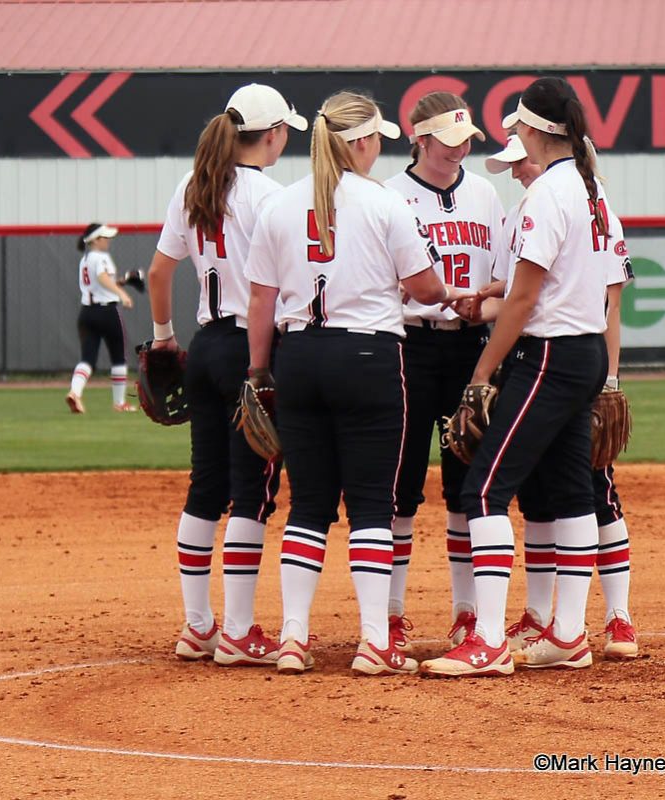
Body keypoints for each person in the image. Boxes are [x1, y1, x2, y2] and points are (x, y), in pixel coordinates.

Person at [245, 91, 462, 676]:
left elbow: (261, 299)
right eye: (377, 139)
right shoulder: (384, 202)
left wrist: (259, 372)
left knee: (308, 504)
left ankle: (292, 638)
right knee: (372, 503)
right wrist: (454, 296)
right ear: (362, 142)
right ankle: (375, 643)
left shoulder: (280, 204)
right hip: (368, 355)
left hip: (299, 356)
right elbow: (422, 288)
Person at [420, 77, 617, 677]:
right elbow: (554, 282)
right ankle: (569, 634)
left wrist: (481, 374)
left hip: (550, 356)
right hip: (586, 353)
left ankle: (486, 641)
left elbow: (527, 299)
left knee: (482, 491)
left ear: (535, 130)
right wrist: (496, 292)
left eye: (517, 125)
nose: (512, 134)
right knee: (571, 492)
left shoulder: (546, 196)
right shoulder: (587, 188)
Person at [145, 83, 306, 667]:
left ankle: (198, 627)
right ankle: (239, 632)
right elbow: (283, 285)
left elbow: (159, 272)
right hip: (251, 347)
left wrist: (164, 337)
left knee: (205, 485)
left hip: (206, 343)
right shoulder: (272, 195)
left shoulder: (193, 185)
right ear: (273, 135)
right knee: (252, 492)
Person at [479, 134, 639, 661]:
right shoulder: (528, 206)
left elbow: (608, 302)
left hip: (559, 356)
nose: (514, 171)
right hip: (544, 354)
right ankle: (557, 625)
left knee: (592, 490)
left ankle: (618, 618)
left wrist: (610, 382)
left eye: (519, 159)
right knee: (554, 492)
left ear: (543, 145)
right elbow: (512, 295)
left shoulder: (577, 200)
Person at [382, 92, 505, 652]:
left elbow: (502, 271)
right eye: (449, 142)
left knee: (465, 486)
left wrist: (484, 303)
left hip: (469, 347)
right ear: (421, 140)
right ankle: (392, 612)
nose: (460, 152)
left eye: (466, 142)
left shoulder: (483, 192)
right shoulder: (388, 195)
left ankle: (466, 612)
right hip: (409, 343)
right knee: (401, 486)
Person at [66, 223, 136, 414]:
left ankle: (75, 392)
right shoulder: (101, 257)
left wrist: (123, 280)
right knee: (119, 358)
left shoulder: (86, 259)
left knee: (87, 359)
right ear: (95, 240)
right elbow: (103, 278)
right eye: (105, 237)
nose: (108, 240)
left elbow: (99, 282)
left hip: (87, 313)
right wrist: (122, 293)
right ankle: (119, 403)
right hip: (107, 313)